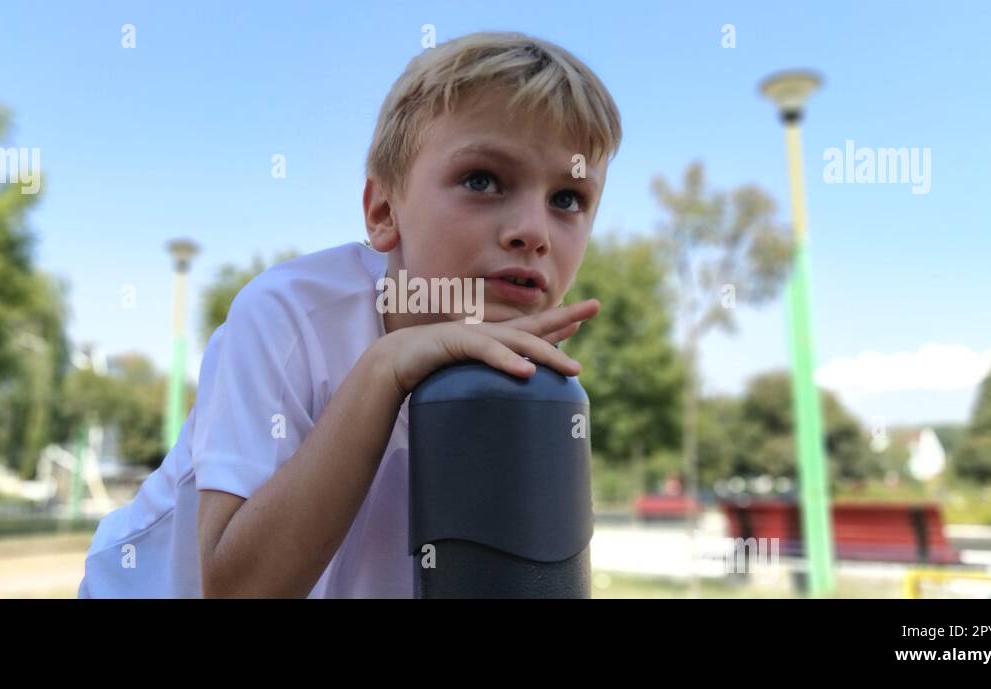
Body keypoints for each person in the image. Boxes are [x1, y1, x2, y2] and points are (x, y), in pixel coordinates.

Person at [79, 30, 621, 598]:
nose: (532, 232)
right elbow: (238, 591)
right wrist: (384, 369)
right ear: (385, 211)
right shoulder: (290, 318)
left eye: (567, 199)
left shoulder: (537, 390)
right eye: (482, 180)